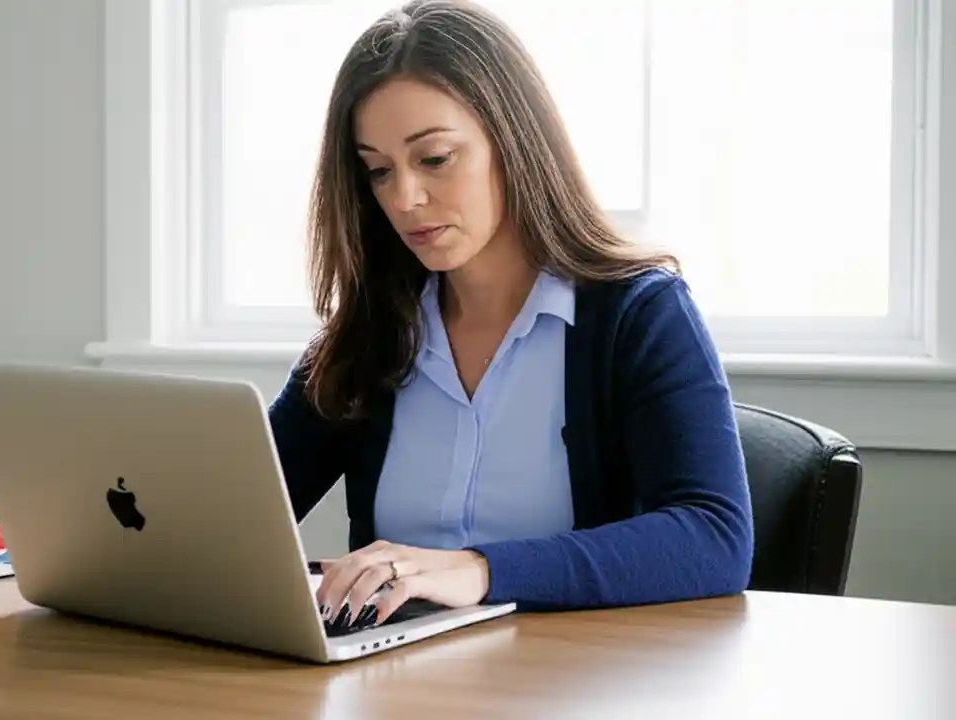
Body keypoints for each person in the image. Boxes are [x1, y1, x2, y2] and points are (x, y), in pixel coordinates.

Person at [268, 0, 754, 628]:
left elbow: (714, 538)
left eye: (435, 159)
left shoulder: (639, 314)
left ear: (513, 141)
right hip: (392, 686)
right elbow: (233, 514)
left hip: (578, 683)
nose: (405, 198)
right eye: (378, 171)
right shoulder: (372, 331)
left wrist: (478, 569)